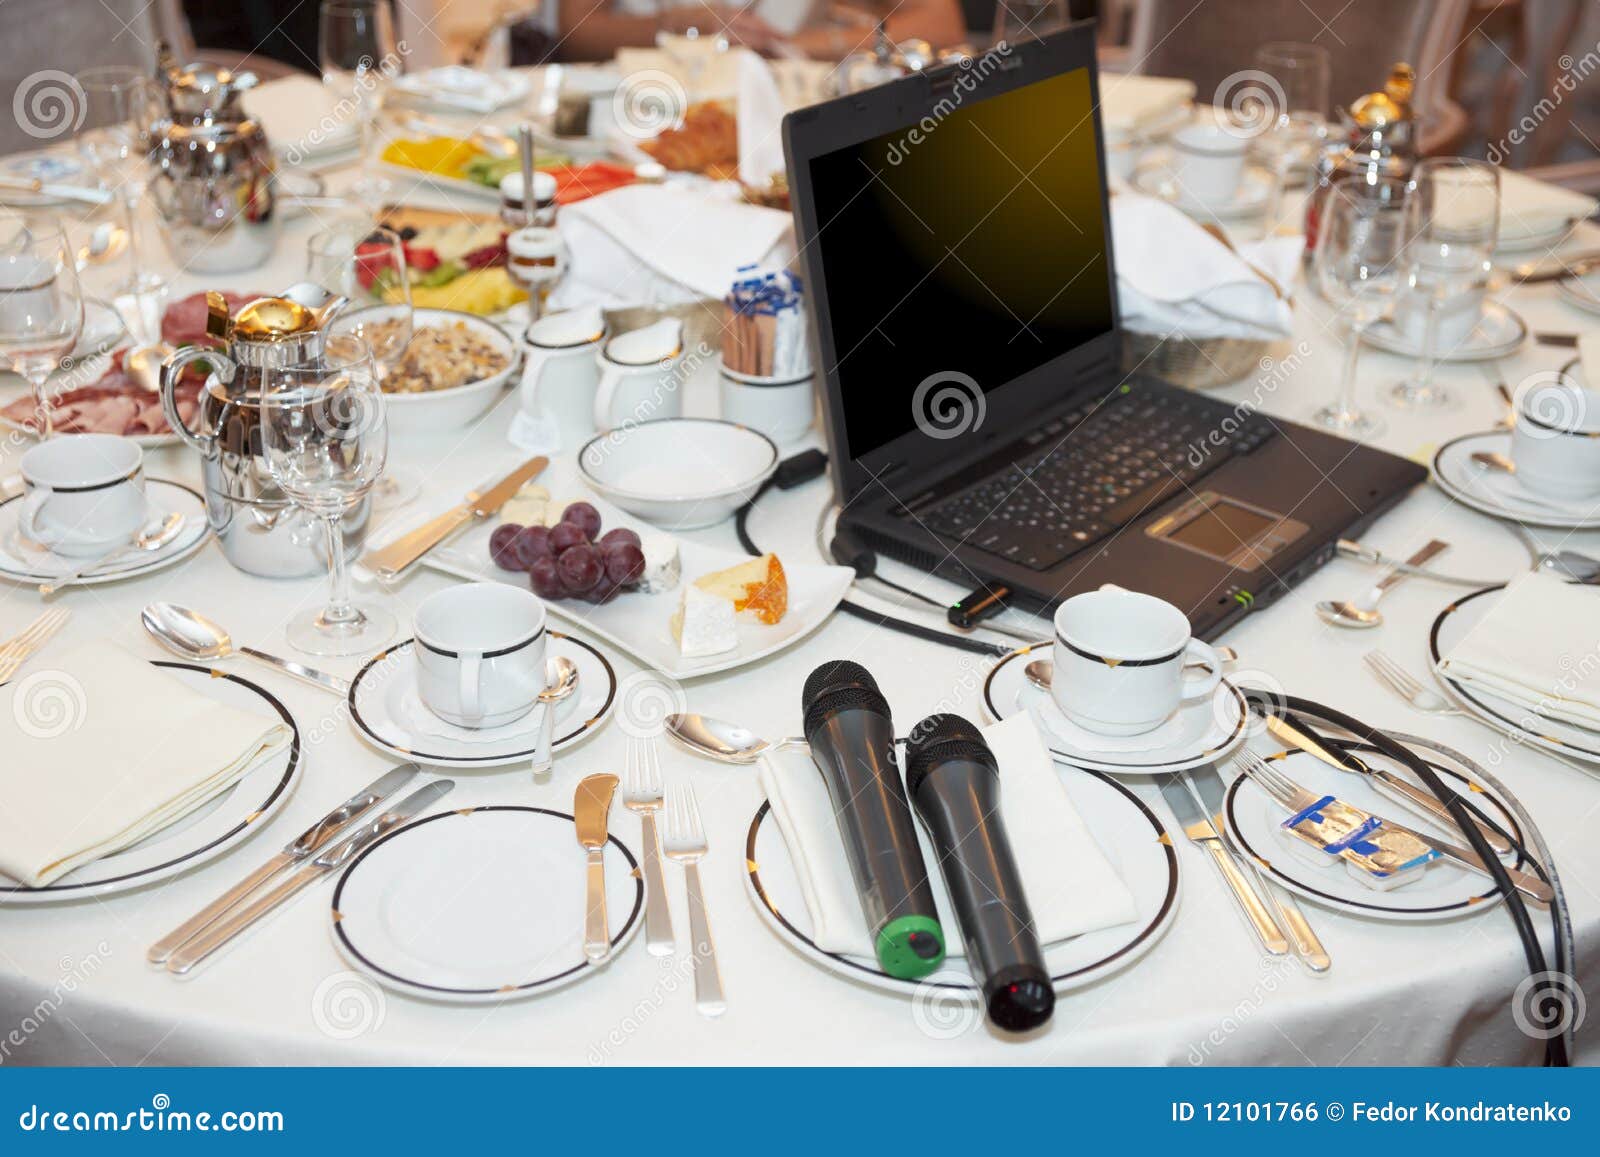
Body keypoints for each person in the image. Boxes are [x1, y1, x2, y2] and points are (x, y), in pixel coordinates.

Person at [552, 0, 966, 61]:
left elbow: (941, 23)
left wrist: (802, 44)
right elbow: (576, 31)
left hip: (781, 119)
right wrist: (668, 26)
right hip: (643, 107)